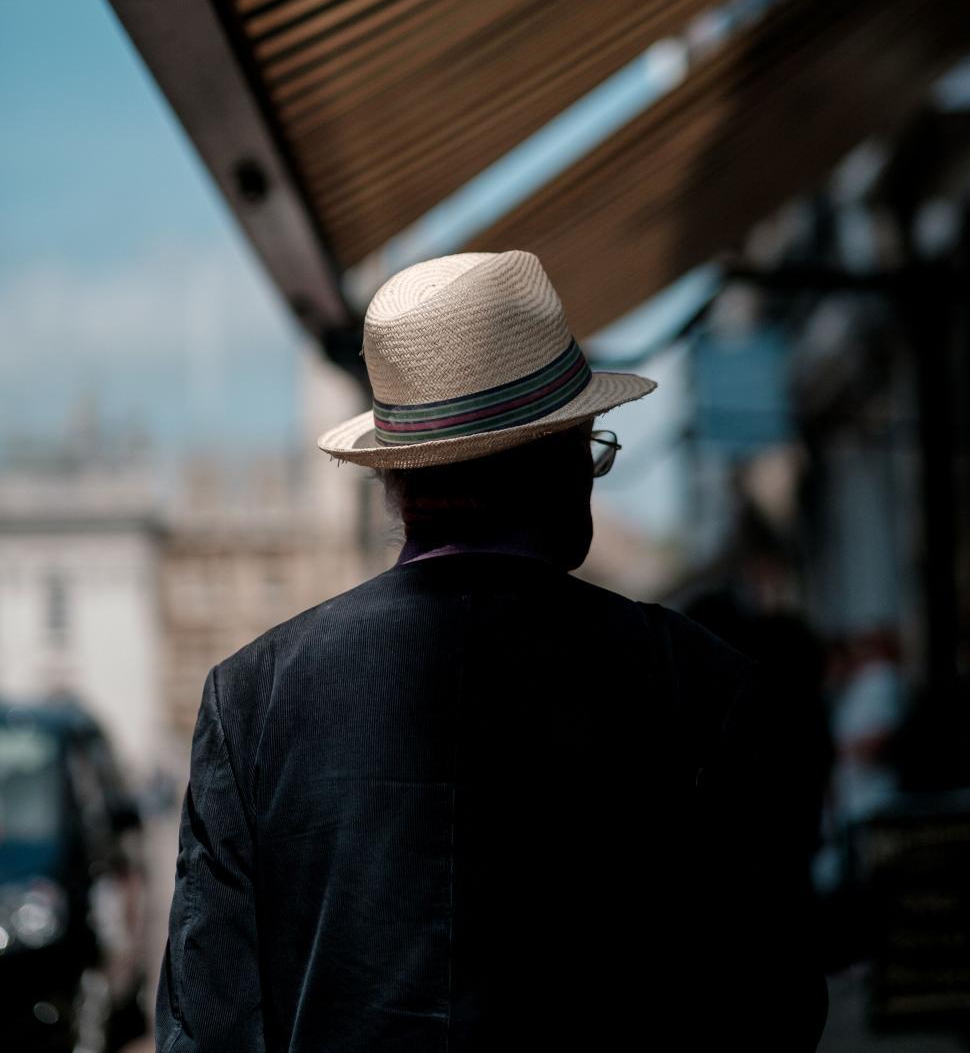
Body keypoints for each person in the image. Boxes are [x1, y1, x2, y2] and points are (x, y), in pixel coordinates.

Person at [155, 249, 829, 1051]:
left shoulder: (253, 699)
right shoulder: (701, 685)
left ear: (396, 482)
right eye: (592, 445)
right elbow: (771, 1009)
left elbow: (209, 1027)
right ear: (563, 460)